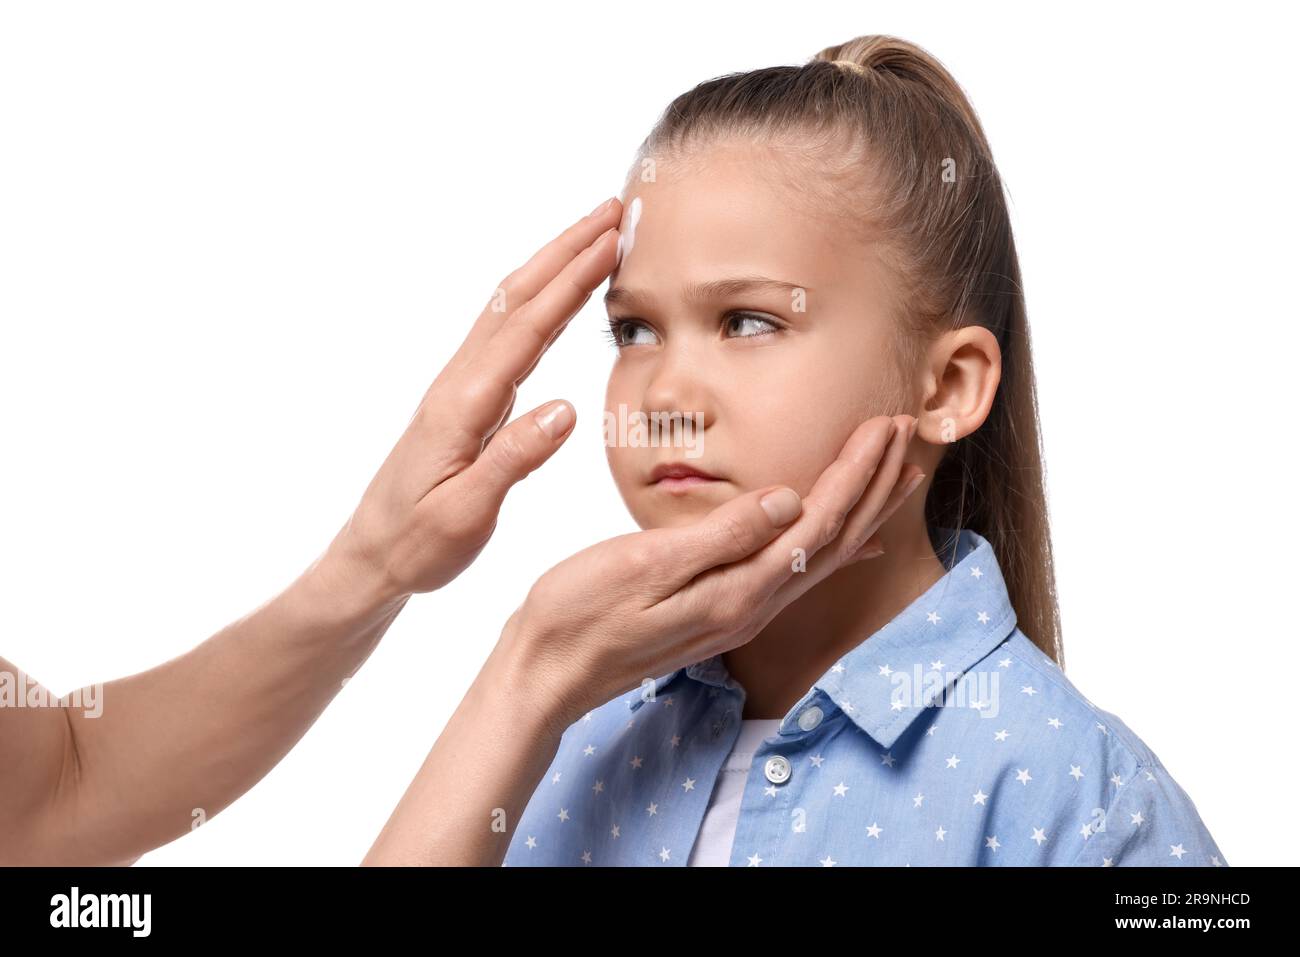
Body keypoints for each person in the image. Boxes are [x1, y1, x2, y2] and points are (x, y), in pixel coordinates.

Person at [368, 34, 1229, 867]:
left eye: (747, 320)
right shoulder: (550, 748)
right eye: (633, 329)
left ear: (949, 387)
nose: (664, 397)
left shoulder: (1088, 808)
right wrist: (523, 676)